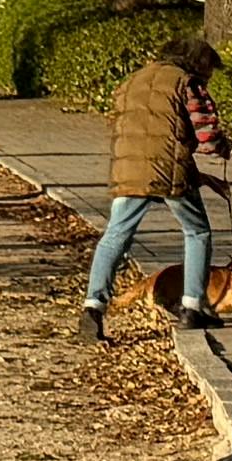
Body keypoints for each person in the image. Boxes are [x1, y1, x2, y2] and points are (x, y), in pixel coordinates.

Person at [84, 34, 224, 335]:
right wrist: (222, 147)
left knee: (116, 234)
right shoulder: (187, 83)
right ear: (198, 64)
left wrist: (203, 177)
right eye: (210, 72)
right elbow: (206, 137)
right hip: (169, 174)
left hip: (128, 169)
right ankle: (193, 306)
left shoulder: (133, 81)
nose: (209, 79)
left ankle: (93, 306)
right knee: (197, 231)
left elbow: (153, 140)